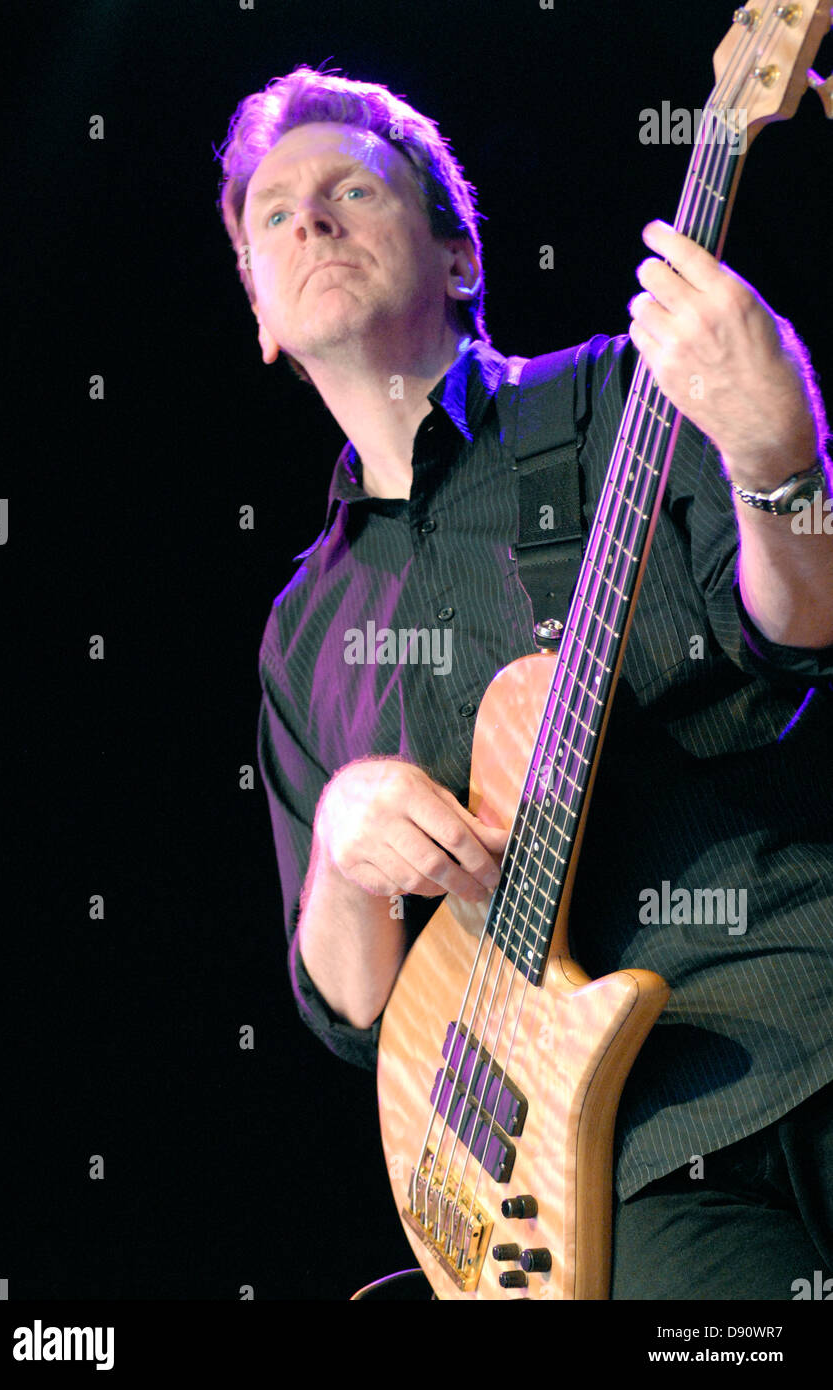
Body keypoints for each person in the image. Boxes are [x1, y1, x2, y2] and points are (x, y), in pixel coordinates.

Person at [218, 66, 833, 1298]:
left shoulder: (620, 398)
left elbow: (805, 628)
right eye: (273, 215)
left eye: (349, 188)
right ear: (263, 320)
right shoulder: (303, 637)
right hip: (622, 1168)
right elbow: (351, 1008)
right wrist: (339, 846)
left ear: (459, 257)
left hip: (809, 999)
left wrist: (778, 454)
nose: (311, 221)